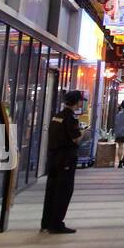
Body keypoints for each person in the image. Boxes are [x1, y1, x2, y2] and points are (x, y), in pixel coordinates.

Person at [41, 91, 85, 234]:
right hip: (66, 158)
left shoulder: (56, 116)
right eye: (80, 101)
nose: (81, 103)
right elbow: (76, 139)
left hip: (53, 157)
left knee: (51, 190)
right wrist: (83, 132)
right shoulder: (70, 118)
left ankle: (46, 222)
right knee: (64, 191)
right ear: (77, 101)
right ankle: (56, 224)